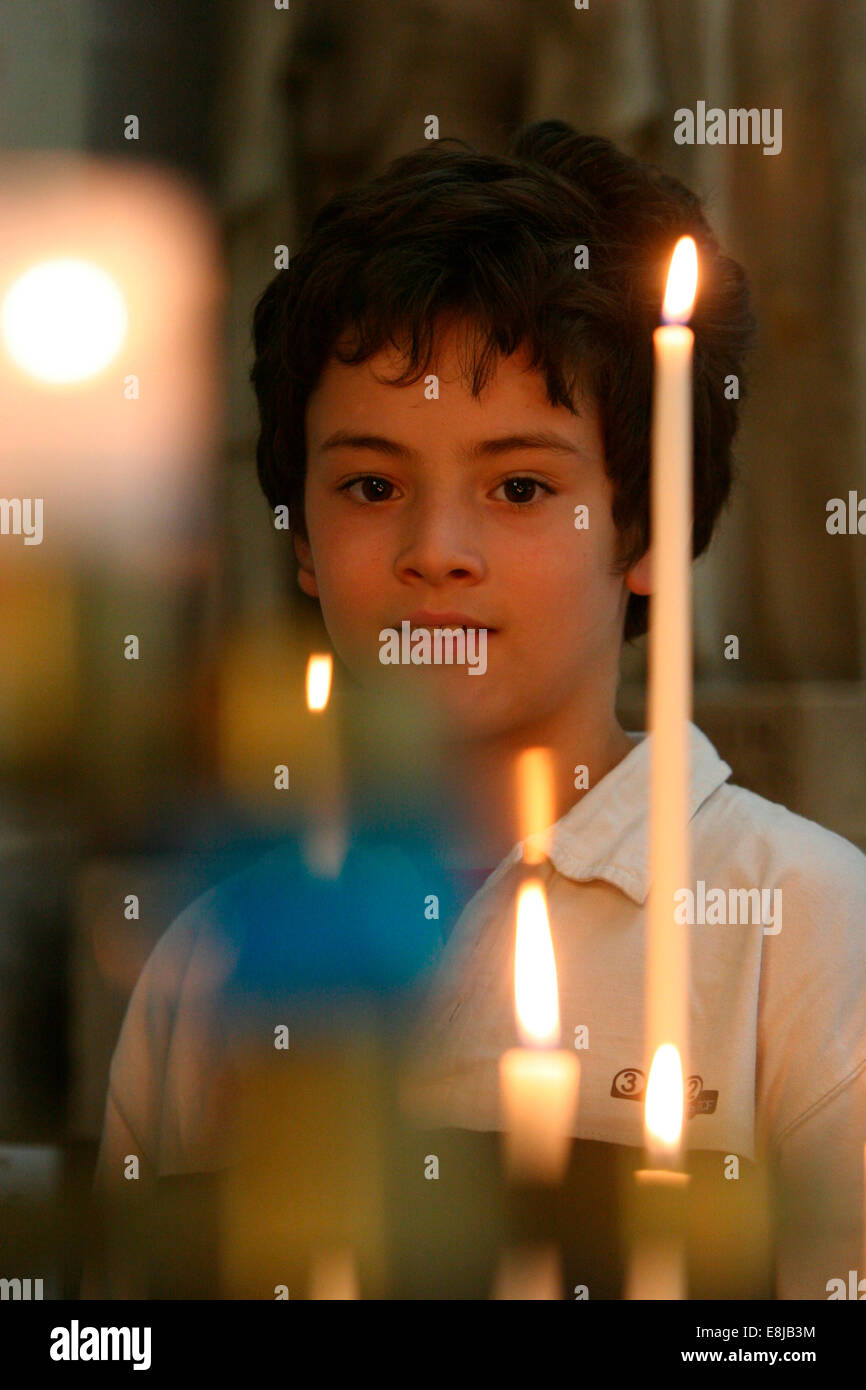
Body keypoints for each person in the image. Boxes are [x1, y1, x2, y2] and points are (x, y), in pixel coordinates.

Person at [90, 120, 866, 1299]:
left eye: (517, 486)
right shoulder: (212, 961)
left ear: (647, 525)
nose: (433, 551)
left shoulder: (801, 928)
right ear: (300, 535)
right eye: (369, 484)